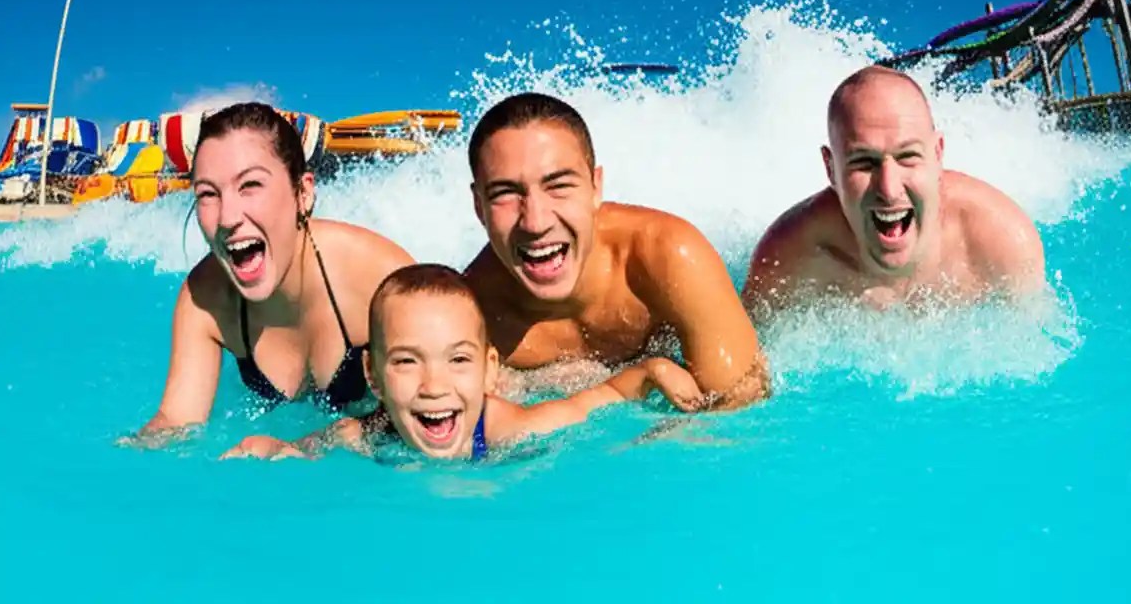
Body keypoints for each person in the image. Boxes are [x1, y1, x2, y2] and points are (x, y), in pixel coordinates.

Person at [460, 92, 769, 411]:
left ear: (596, 188)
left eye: (558, 186)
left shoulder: (666, 256)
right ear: (478, 206)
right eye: (505, 194)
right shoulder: (470, 316)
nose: (536, 221)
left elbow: (743, 397)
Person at [128, 102, 415, 444]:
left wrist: (325, 441)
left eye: (250, 185)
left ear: (303, 193)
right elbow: (176, 421)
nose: (227, 218)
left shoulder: (379, 279)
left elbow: (448, 399)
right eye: (208, 194)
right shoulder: (204, 299)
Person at [222, 264, 702, 461]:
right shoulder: (364, 434)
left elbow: (600, 399)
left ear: (490, 369)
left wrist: (651, 372)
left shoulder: (509, 428)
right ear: (373, 376)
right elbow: (301, 450)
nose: (435, 386)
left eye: (458, 360)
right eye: (408, 362)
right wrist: (269, 448)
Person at [742, 65, 1045, 317]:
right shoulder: (788, 258)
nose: (888, 189)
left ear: (937, 155)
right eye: (864, 162)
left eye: (907, 157)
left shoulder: (1002, 242)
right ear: (830, 168)